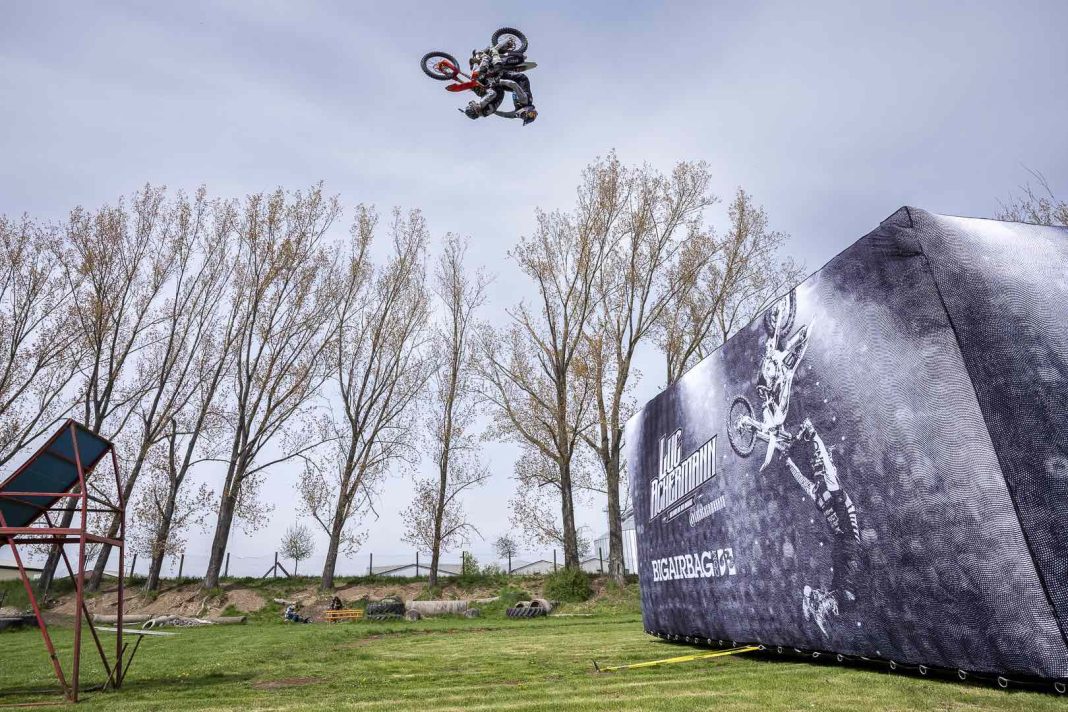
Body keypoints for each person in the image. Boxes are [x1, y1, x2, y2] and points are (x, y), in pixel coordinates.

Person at [462, 43, 537, 125]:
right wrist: (498, 81)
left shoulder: (516, 113)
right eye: (532, 114)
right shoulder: (524, 100)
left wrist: (492, 110)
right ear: (527, 111)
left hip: (509, 87)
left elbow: (504, 115)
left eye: (524, 117)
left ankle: (481, 64)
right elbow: (513, 84)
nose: (522, 116)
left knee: (489, 81)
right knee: (498, 70)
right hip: (518, 80)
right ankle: (493, 52)